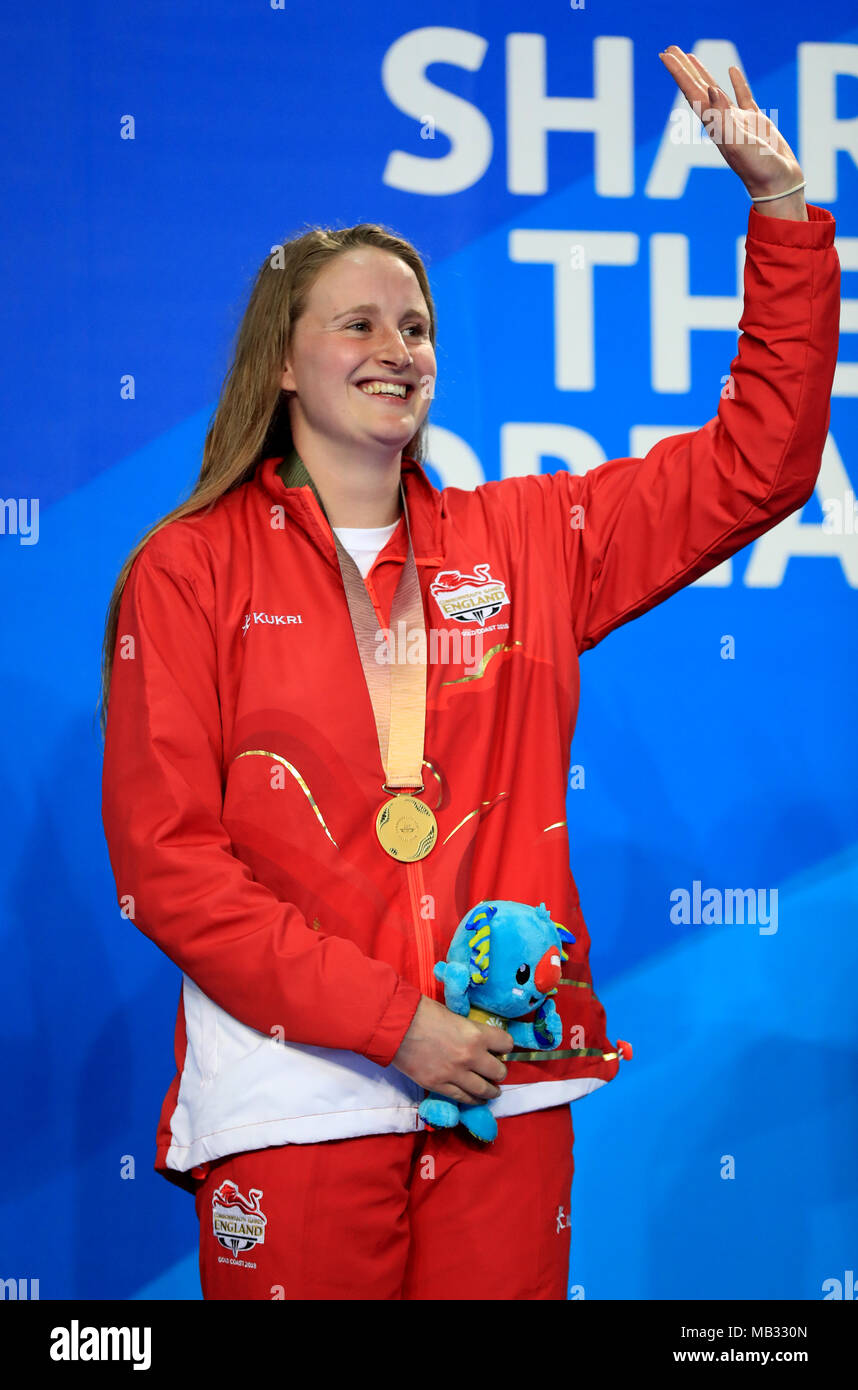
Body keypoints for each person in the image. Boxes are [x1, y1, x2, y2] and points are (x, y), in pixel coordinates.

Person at [99, 46, 840, 1300]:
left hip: (504, 1082)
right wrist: (400, 1026)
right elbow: (170, 863)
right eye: (361, 322)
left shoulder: (528, 541)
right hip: (298, 1098)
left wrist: (779, 216)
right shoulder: (188, 571)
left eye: (419, 325)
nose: (400, 347)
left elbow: (757, 466)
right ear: (283, 362)